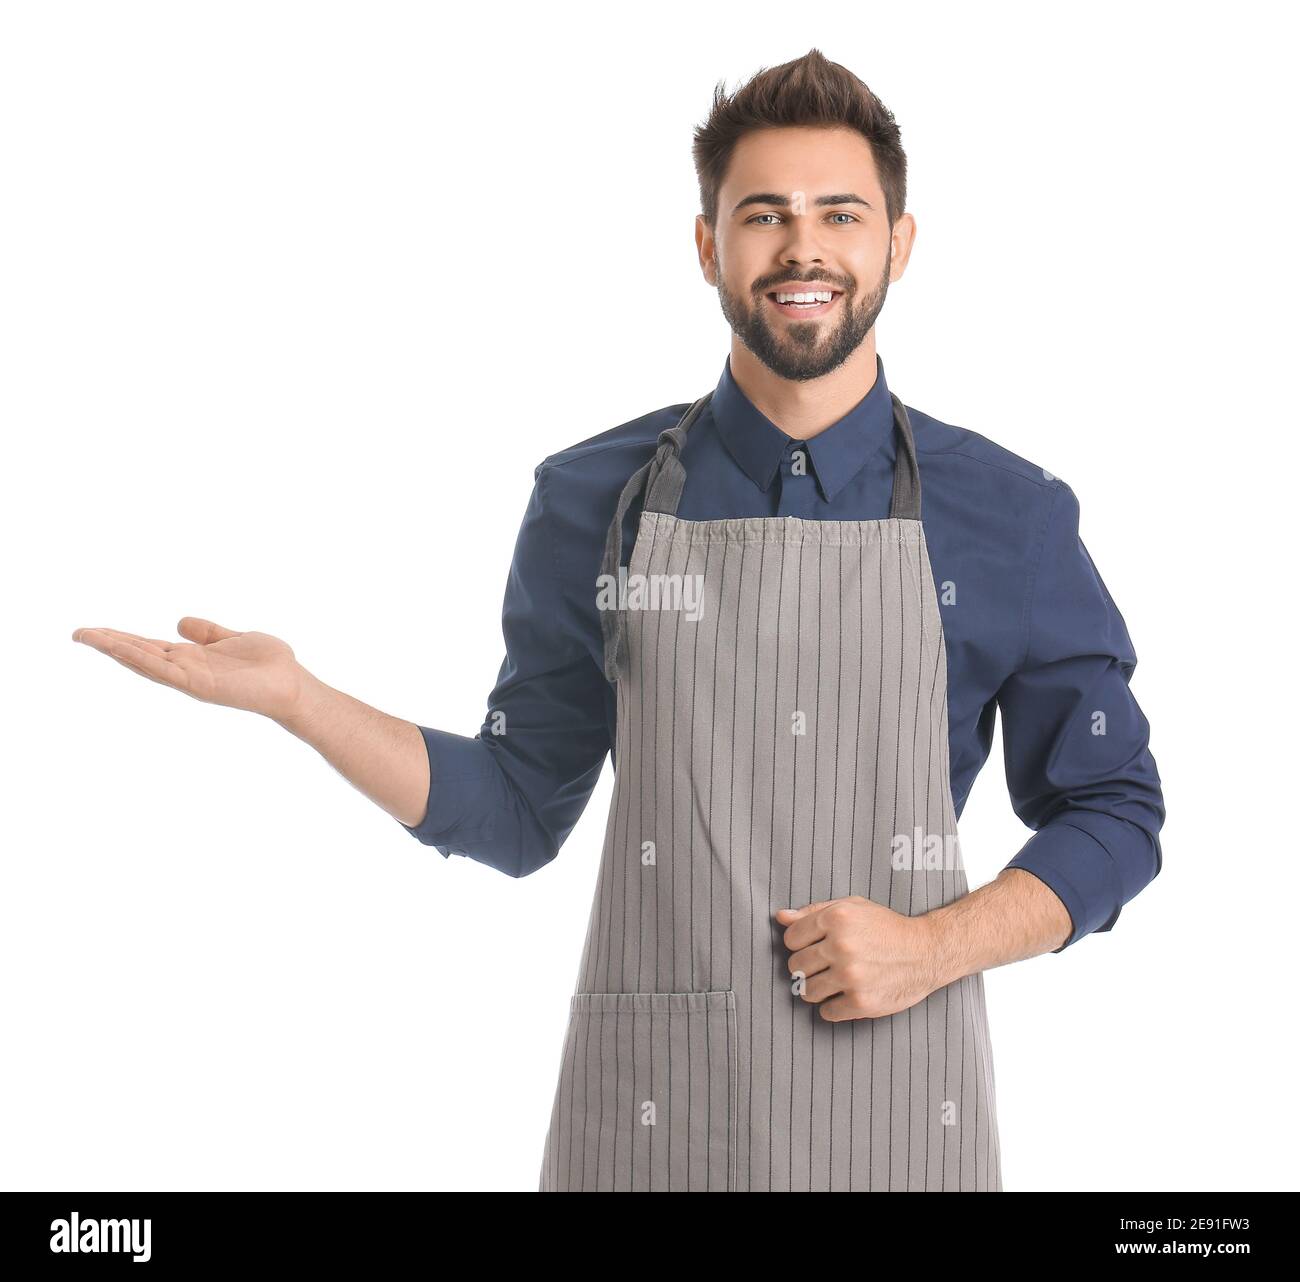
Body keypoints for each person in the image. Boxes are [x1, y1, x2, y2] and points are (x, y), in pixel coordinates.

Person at [71, 48, 1164, 1192]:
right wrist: (300, 699)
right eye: (763, 215)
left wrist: (931, 947)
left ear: (896, 243)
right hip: (652, 1120)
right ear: (708, 247)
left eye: (839, 214)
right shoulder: (595, 497)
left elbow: (1116, 811)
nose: (803, 248)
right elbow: (515, 805)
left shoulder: (1008, 515)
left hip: (897, 1110)